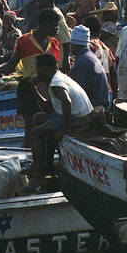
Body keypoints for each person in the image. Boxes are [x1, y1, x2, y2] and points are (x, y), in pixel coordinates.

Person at [25, 51, 100, 189]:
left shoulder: (57, 82)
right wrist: (34, 88)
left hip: (79, 118)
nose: (37, 73)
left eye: (38, 69)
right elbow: (47, 108)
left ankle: (39, 176)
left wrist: (64, 128)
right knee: (38, 118)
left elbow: (67, 102)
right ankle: (45, 164)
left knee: (35, 133)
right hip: (70, 114)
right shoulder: (58, 78)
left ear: (45, 69)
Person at [67, 24, 111, 111]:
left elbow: (79, 93)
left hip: (92, 109)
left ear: (75, 44)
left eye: (71, 44)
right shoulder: (88, 56)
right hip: (98, 105)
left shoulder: (83, 62)